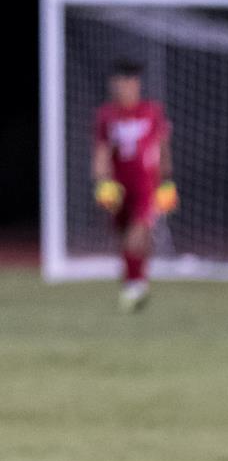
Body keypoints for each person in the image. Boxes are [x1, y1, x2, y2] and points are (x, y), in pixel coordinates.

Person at [91, 60, 175, 311]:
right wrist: (101, 182)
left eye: (127, 82)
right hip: (119, 186)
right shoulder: (107, 115)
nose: (122, 88)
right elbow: (102, 151)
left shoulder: (151, 111)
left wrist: (167, 182)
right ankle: (137, 281)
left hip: (145, 184)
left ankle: (134, 286)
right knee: (125, 235)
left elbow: (163, 147)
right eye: (118, 83)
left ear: (136, 84)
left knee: (137, 232)